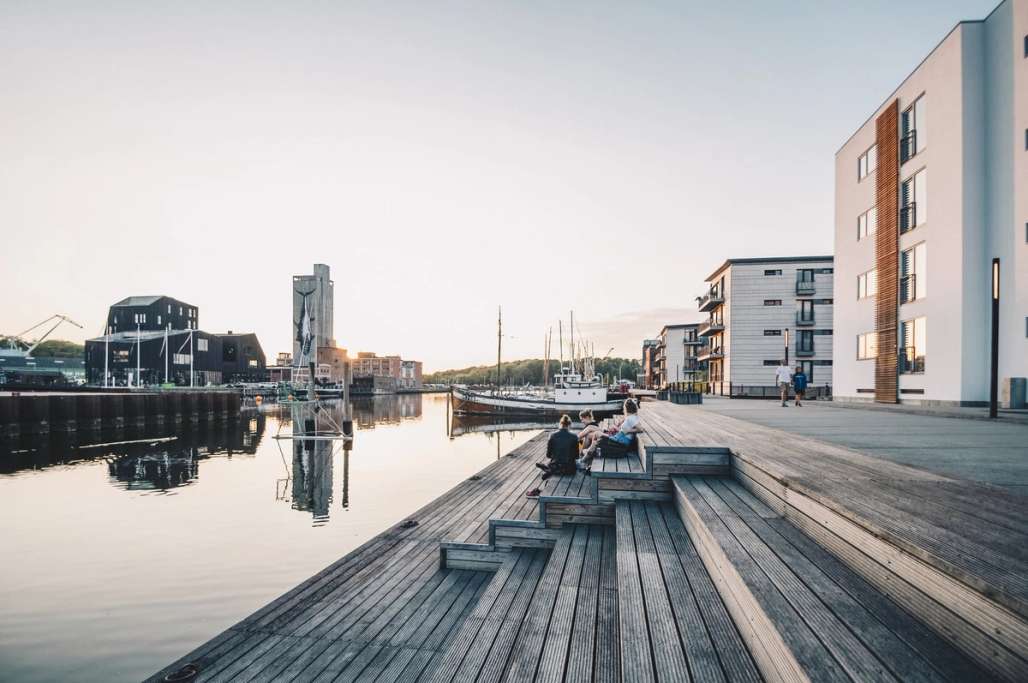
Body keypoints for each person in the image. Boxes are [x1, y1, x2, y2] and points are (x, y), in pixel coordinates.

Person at [577, 399, 642, 473]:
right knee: (595, 436)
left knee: (596, 437)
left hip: (619, 441)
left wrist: (627, 431)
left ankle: (583, 459)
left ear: (626, 408)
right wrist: (619, 426)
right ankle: (584, 457)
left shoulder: (631, 418)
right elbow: (628, 427)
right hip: (618, 438)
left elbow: (640, 429)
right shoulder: (631, 417)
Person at [527, 414, 578, 497]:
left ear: (560, 424)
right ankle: (547, 469)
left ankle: (546, 470)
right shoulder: (574, 436)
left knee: (552, 466)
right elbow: (576, 456)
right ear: (569, 425)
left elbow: (548, 455)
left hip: (556, 467)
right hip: (570, 469)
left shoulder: (552, 435)